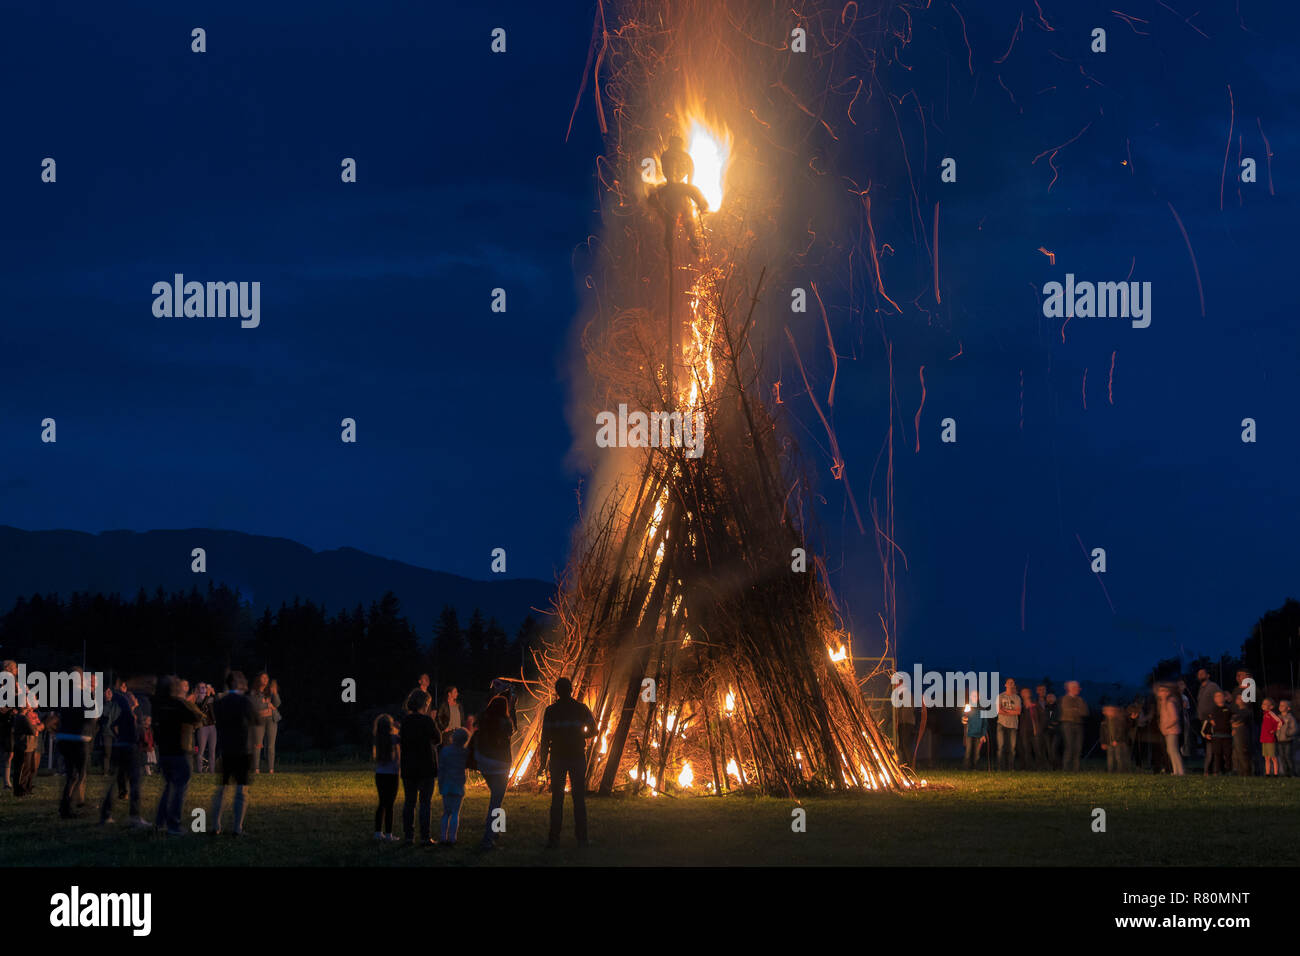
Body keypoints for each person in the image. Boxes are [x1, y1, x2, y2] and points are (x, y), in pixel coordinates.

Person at [537, 677, 598, 848]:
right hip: (577, 757)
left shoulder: (551, 711)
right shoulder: (581, 709)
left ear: (557, 691)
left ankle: (554, 838)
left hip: (557, 758)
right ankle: (582, 839)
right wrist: (581, 736)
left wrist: (542, 764)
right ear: (571, 690)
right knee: (579, 798)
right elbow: (595, 730)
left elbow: (545, 738)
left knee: (557, 799)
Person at [210, 670, 265, 836]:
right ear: (236, 683)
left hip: (226, 749)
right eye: (242, 681)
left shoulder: (219, 702)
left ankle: (215, 826)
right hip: (242, 749)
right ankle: (237, 828)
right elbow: (258, 720)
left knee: (222, 789)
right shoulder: (245, 701)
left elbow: (215, 720)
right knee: (241, 791)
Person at [152, 675, 202, 836]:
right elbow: (199, 716)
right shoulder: (180, 704)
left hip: (165, 752)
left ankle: (160, 822)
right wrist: (188, 701)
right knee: (179, 789)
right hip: (181, 751)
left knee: (169, 787)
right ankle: (174, 824)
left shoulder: (159, 705)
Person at [650, 134, 709, 256]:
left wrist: (702, 204)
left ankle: (696, 251)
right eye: (668, 164)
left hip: (677, 201)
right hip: (674, 201)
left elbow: (694, 191)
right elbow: (695, 192)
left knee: (684, 225)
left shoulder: (682, 186)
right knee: (674, 225)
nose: (672, 168)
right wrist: (702, 204)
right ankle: (691, 250)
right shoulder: (680, 187)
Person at [99, 676, 146, 825]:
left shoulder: (127, 713)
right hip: (129, 748)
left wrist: (118, 736)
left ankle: (106, 814)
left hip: (121, 746)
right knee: (135, 781)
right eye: (134, 699)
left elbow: (114, 725)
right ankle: (134, 816)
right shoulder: (127, 711)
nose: (136, 701)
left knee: (116, 780)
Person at [473, 690, 516, 850]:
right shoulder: (505, 721)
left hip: (484, 762)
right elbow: (511, 732)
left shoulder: (483, 719)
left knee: (496, 797)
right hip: (500, 763)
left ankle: (498, 830)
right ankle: (488, 838)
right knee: (496, 800)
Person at [55, 669, 97, 818]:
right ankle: (70, 806)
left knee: (71, 774)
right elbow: (92, 717)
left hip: (64, 738)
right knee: (79, 774)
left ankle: (66, 807)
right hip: (79, 738)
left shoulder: (63, 695)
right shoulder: (84, 695)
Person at [399, 690, 438, 847]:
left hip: (409, 766)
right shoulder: (427, 721)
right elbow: (438, 738)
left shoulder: (406, 721)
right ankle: (424, 837)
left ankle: (409, 836)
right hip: (426, 765)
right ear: (424, 704)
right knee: (425, 803)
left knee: (409, 802)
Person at [437, 727, 470, 845]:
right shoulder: (465, 752)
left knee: (446, 812)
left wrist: (440, 784)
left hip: (446, 784)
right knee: (455, 812)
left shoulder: (445, 751)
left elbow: (441, 768)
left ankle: (443, 837)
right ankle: (452, 838)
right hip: (458, 785)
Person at [372, 713, 400, 842]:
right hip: (392, 774)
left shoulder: (378, 739)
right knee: (390, 804)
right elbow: (404, 738)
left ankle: (378, 832)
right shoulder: (393, 738)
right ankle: (388, 834)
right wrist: (398, 727)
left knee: (382, 803)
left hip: (380, 774)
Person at [11, 694, 44, 797]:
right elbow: (33, 730)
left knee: (27, 769)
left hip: (27, 746)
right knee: (22, 769)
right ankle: (20, 790)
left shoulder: (24, 717)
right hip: (24, 746)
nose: (29, 703)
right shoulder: (22, 717)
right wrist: (41, 726)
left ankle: (24, 789)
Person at [1201, 691, 1233, 775]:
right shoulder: (1212, 710)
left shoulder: (1229, 709)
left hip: (1227, 736)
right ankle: (1215, 771)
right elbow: (1206, 721)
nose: (1219, 698)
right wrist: (1207, 732)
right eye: (1217, 696)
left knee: (1227, 754)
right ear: (1214, 699)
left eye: (1220, 696)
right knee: (1216, 755)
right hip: (1216, 736)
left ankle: (1228, 771)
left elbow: (1233, 719)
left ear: (1224, 697)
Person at [1059, 681, 1089, 771]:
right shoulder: (1065, 699)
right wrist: (1076, 710)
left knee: (1078, 747)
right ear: (1069, 688)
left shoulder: (1080, 700)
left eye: (1078, 687)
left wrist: (1074, 710)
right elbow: (1067, 711)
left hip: (1079, 725)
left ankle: (1076, 768)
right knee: (1069, 746)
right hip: (1067, 724)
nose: (1078, 689)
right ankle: (1066, 768)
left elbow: (1085, 712)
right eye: (1075, 687)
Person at [248, 673, 274, 774]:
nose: (265, 679)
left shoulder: (270, 691)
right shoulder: (254, 692)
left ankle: (271, 769)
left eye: (267, 677)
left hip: (271, 720)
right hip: (259, 720)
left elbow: (276, 705)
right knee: (258, 744)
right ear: (258, 679)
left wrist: (274, 695)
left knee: (271, 745)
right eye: (263, 677)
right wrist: (265, 709)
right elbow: (253, 708)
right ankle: (256, 768)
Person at [1157, 684, 1184, 775]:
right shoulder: (1163, 703)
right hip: (1168, 731)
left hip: (1172, 730)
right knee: (1170, 750)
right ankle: (1176, 771)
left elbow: (1175, 718)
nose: (1159, 693)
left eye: (1162, 690)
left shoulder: (1170, 703)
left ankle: (1180, 771)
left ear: (1167, 692)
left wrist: (1166, 726)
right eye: (1159, 691)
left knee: (1174, 750)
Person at [995, 679, 1021, 771]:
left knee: (1012, 748)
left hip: (1013, 725)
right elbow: (999, 710)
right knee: (1001, 747)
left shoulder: (1017, 698)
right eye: (1009, 682)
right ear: (1005, 684)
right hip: (1001, 724)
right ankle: (1000, 768)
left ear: (1014, 685)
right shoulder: (1000, 696)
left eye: (1012, 683)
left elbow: (1018, 711)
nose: (1011, 684)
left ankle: (1011, 768)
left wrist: (1005, 711)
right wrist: (1011, 712)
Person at [1017, 687, 1044, 770]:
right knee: (1026, 750)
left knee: (1037, 750)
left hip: (1035, 730)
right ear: (1021, 695)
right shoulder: (1020, 705)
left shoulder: (1035, 704)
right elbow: (1018, 717)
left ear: (1030, 693)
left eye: (1027, 692)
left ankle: (1040, 767)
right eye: (1024, 692)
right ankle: (1028, 767)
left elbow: (1042, 716)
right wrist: (1025, 708)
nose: (1026, 693)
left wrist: (1039, 728)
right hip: (1024, 731)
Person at [1, 660, 18, 791]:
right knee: (8, 752)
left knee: (9, 752)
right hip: (3, 719)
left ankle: (7, 781)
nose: (16, 670)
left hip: (9, 720)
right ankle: (6, 782)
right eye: (14, 668)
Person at [960, 691, 987, 770]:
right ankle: (966, 768)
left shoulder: (982, 708)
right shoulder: (968, 707)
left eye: (976, 695)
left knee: (977, 753)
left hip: (979, 733)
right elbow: (963, 719)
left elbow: (985, 723)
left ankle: (975, 768)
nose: (974, 697)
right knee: (968, 751)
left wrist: (983, 734)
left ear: (978, 697)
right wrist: (964, 719)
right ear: (970, 697)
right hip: (969, 733)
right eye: (973, 695)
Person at [194, 683, 217, 773]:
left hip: (212, 726)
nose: (204, 689)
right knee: (201, 750)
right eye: (202, 687)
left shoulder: (210, 699)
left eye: (205, 687)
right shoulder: (197, 700)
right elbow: (201, 708)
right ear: (198, 689)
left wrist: (214, 694)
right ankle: (200, 771)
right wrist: (207, 696)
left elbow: (219, 704)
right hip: (203, 727)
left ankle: (212, 771)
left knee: (212, 751)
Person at [1101, 704, 1130, 773]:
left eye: (1110, 710)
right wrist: (1103, 742)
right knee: (1110, 757)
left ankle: (1120, 771)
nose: (1108, 712)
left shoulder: (1118, 720)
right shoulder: (1104, 722)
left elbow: (1121, 731)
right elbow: (1102, 733)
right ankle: (1110, 771)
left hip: (1117, 742)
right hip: (1109, 742)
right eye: (1106, 711)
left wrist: (1116, 740)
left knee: (1118, 757)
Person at [1230, 692, 1252, 776]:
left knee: (1242, 752)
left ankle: (1246, 772)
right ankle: (1239, 771)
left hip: (1242, 735)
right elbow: (1233, 721)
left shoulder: (1247, 711)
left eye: (1241, 698)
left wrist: (1235, 723)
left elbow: (1240, 721)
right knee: (1236, 753)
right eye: (1238, 698)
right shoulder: (1236, 711)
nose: (1238, 699)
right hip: (1236, 734)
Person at [1260, 699, 1282, 776]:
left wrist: (1274, 730)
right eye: (1263, 703)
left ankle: (1276, 774)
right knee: (1266, 757)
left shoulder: (1271, 713)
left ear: (1271, 706)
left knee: (1273, 757)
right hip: (1264, 738)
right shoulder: (1264, 714)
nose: (1263, 705)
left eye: (1266, 704)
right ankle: (1267, 773)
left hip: (1270, 739)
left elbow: (1280, 721)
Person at [1277, 700, 1296, 777]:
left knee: (1288, 756)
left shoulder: (1290, 718)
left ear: (1288, 708)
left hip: (1288, 740)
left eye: (1283, 705)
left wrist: (1288, 734)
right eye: (1280, 705)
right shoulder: (1278, 718)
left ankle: (1292, 773)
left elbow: (1294, 728)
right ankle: (1285, 773)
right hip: (1280, 740)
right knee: (1282, 757)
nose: (1281, 707)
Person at [1042, 691, 1061, 769]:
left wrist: (1053, 724)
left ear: (1055, 698)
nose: (1050, 699)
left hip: (1056, 731)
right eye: (1048, 697)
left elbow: (1059, 719)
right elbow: (1044, 719)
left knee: (1054, 748)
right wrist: (1047, 725)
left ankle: (1056, 765)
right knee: (1049, 749)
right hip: (1046, 731)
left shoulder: (1058, 707)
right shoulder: (1045, 708)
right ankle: (1052, 766)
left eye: (1052, 697)